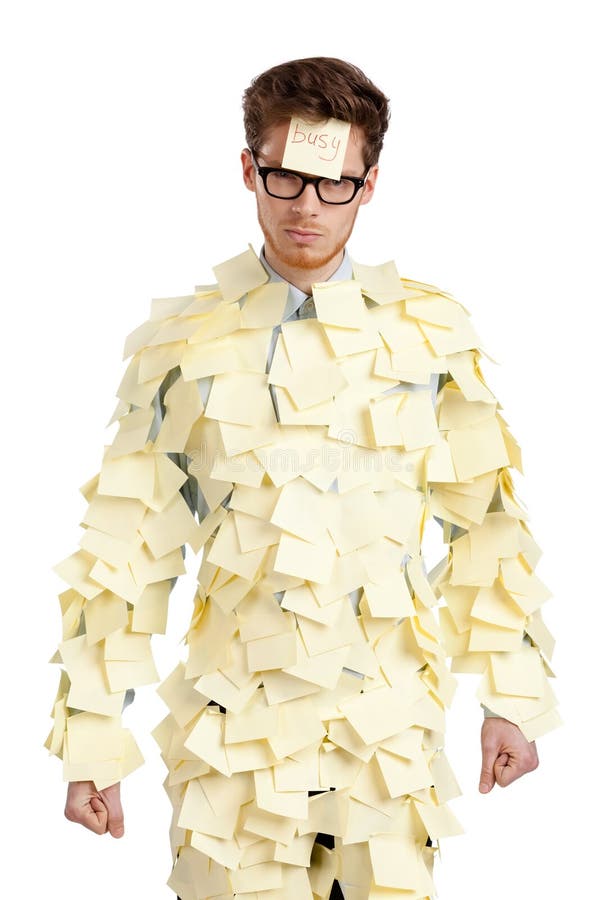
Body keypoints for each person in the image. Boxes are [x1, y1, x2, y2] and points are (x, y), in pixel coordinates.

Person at [47, 57, 560, 900]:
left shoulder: (430, 335)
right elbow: (126, 549)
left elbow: (487, 527)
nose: (307, 208)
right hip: (233, 743)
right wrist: (93, 740)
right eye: (286, 177)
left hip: (386, 742)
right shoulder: (180, 345)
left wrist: (512, 698)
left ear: (370, 185)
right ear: (249, 169)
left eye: (334, 184)